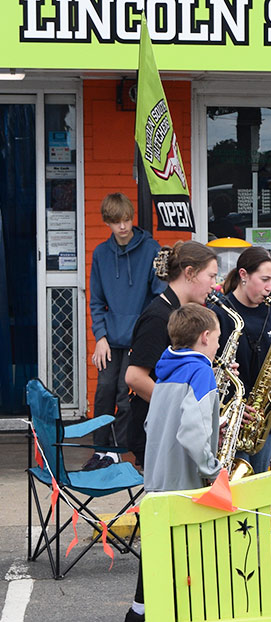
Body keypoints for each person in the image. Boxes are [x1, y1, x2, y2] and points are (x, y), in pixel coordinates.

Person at [121, 302, 223, 622]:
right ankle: (176, 615)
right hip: (185, 478)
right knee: (186, 548)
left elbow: (154, 423)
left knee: (159, 546)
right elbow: (192, 432)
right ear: (205, 337)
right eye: (217, 338)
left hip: (159, 472)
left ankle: (140, 612)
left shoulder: (166, 368)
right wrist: (213, 468)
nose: (218, 345)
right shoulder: (201, 372)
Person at [121, 241, 221, 470]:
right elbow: (134, 377)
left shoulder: (181, 314)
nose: (215, 285)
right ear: (190, 273)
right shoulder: (157, 317)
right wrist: (183, 411)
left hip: (172, 430)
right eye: (211, 276)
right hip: (159, 433)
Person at [86, 192, 163, 469]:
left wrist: (145, 335)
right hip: (111, 338)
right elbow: (97, 301)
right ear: (107, 222)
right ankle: (100, 450)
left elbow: (158, 296)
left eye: (127, 220)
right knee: (104, 391)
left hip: (138, 338)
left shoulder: (151, 249)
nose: (123, 226)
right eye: (116, 221)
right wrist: (101, 337)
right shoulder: (101, 254)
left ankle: (117, 451)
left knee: (125, 393)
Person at [212, 247, 271, 475]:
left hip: (261, 425)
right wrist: (231, 410)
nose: (270, 287)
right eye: (264, 279)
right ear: (243, 275)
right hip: (229, 424)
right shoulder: (220, 313)